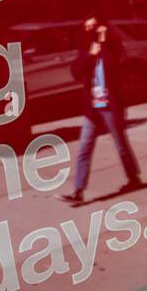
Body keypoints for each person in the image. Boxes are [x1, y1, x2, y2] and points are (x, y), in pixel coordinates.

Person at [58, 17, 141, 205]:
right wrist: (90, 55)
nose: (90, 30)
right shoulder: (86, 49)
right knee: (84, 147)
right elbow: (76, 72)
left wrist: (105, 40)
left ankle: (134, 178)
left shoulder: (113, 48)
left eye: (94, 27)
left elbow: (117, 64)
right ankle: (78, 191)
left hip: (111, 106)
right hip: (92, 107)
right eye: (86, 27)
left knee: (120, 144)